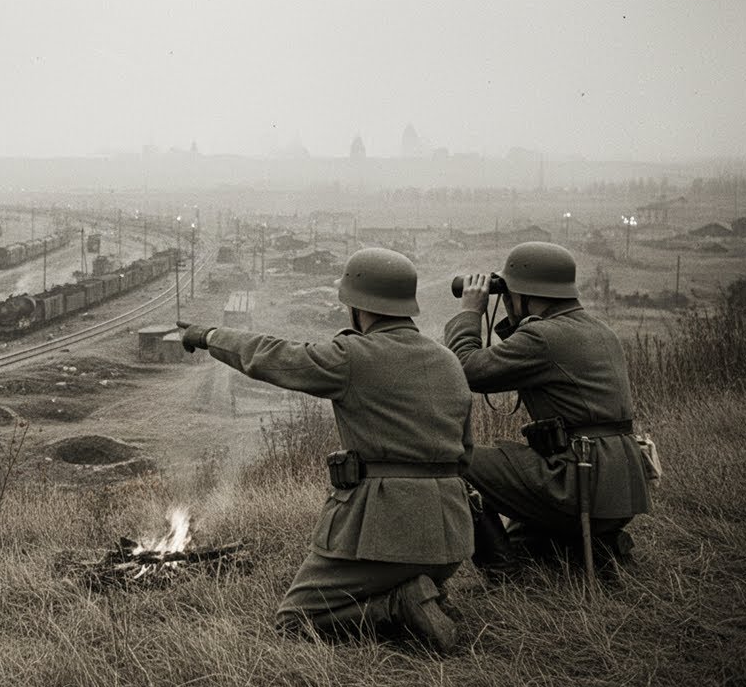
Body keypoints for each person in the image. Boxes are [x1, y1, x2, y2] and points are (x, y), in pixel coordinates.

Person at [179, 248, 473, 653]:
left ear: (357, 307)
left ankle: (398, 605)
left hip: (386, 538)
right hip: (450, 542)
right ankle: (423, 591)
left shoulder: (354, 356)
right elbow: (466, 454)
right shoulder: (449, 361)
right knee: (397, 573)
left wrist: (210, 336)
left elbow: (275, 356)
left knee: (296, 619)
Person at [445, 242, 651, 575]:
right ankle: (598, 551)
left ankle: (502, 574)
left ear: (524, 294)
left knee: (453, 458)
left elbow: (466, 369)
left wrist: (470, 312)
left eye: (508, 293)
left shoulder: (544, 337)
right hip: (617, 489)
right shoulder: (598, 331)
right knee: (528, 552)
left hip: (580, 484)